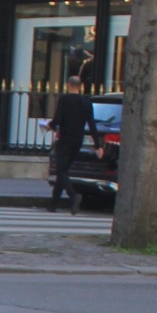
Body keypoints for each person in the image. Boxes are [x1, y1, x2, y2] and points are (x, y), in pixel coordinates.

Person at [47, 73, 93, 211]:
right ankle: (53, 204)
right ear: (80, 87)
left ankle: (73, 196)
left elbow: (58, 119)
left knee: (61, 170)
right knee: (64, 170)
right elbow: (91, 123)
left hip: (65, 139)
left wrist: (50, 125)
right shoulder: (86, 102)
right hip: (77, 141)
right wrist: (97, 145)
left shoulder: (64, 99)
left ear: (68, 85)